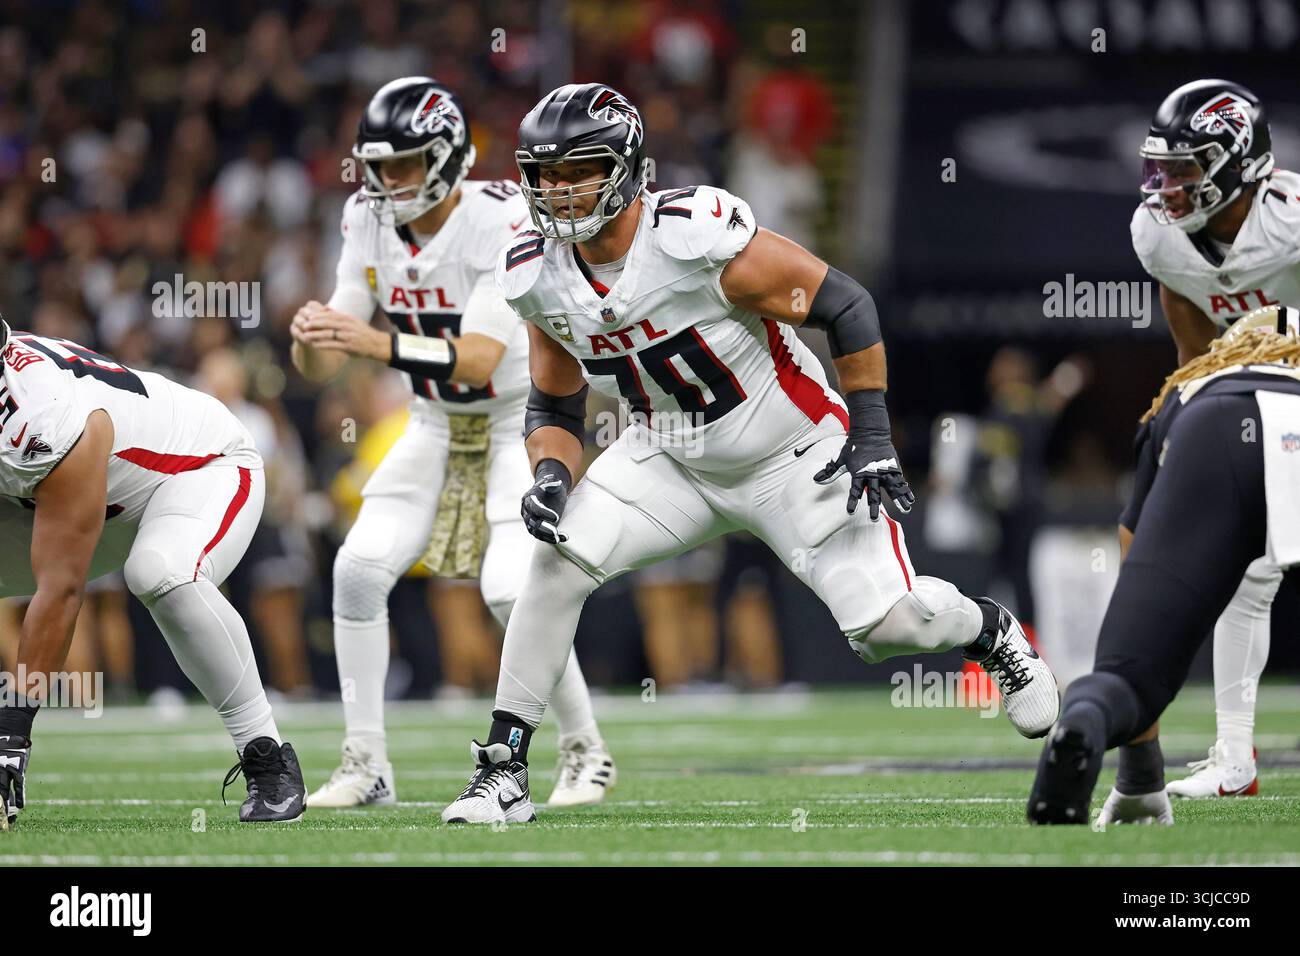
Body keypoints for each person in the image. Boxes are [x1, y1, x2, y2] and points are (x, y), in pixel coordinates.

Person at [441, 83, 1060, 825]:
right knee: (555, 561)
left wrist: (870, 435)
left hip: (792, 450)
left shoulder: (692, 236)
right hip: (668, 453)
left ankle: (990, 631)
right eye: (545, 174)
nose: (560, 192)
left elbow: (846, 304)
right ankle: (503, 770)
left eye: (579, 170)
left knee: (886, 627)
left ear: (631, 168)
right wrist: (549, 471)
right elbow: (555, 401)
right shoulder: (536, 271)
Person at [290, 77, 615, 810]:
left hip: (514, 422)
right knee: (358, 570)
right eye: (379, 165)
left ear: (445, 155)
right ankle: (367, 764)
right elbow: (330, 350)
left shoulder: (502, 216)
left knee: (509, 588)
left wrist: (369, 340)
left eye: (404, 163)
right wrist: (313, 342)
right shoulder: (365, 219)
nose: (387, 181)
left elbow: (474, 357)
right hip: (434, 424)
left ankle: (584, 749)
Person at [0, 317, 305, 826]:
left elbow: (61, 587)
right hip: (99, 491)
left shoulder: (40, 419)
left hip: (198, 469)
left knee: (158, 571)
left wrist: (11, 732)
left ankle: (267, 756)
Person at [1028, 308, 1300, 825]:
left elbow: (1135, 545)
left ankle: (1087, 718)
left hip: (1212, 428)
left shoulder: (1190, 388)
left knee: (1125, 680)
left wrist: (1140, 763)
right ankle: (1232, 758)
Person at [1130, 78, 1299, 798]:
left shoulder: (1291, 222)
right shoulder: (1157, 236)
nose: (1167, 185)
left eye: (1186, 167)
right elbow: (1190, 325)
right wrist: (1191, 404)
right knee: (1249, 573)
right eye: (1161, 168)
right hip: (1266, 403)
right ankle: (1234, 759)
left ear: (1237, 164)